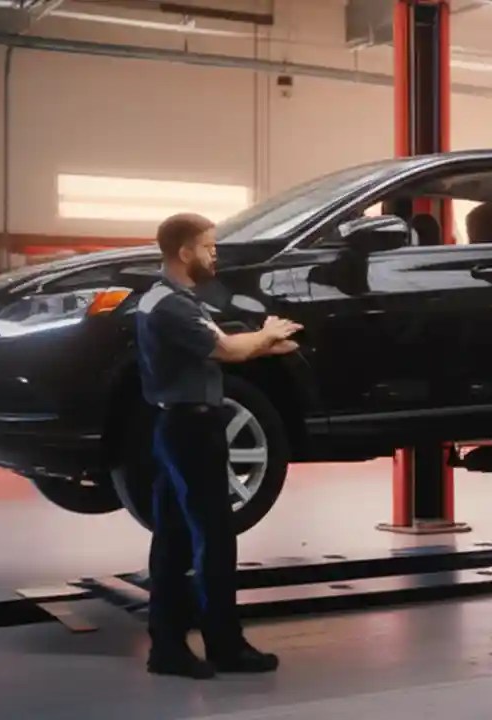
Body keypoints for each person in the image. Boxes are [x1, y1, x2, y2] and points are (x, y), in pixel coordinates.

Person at [137, 212, 301, 679]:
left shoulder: (164, 299)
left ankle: (166, 648)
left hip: (173, 427)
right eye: (209, 247)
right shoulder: (176, 307)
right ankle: (225, 646)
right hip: (193, 431)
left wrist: (266, 344)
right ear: (184, 252)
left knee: (172, 539)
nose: (215, 255)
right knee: (214, 537)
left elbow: (220, 347)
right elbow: (226, 350)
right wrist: (267, 332)